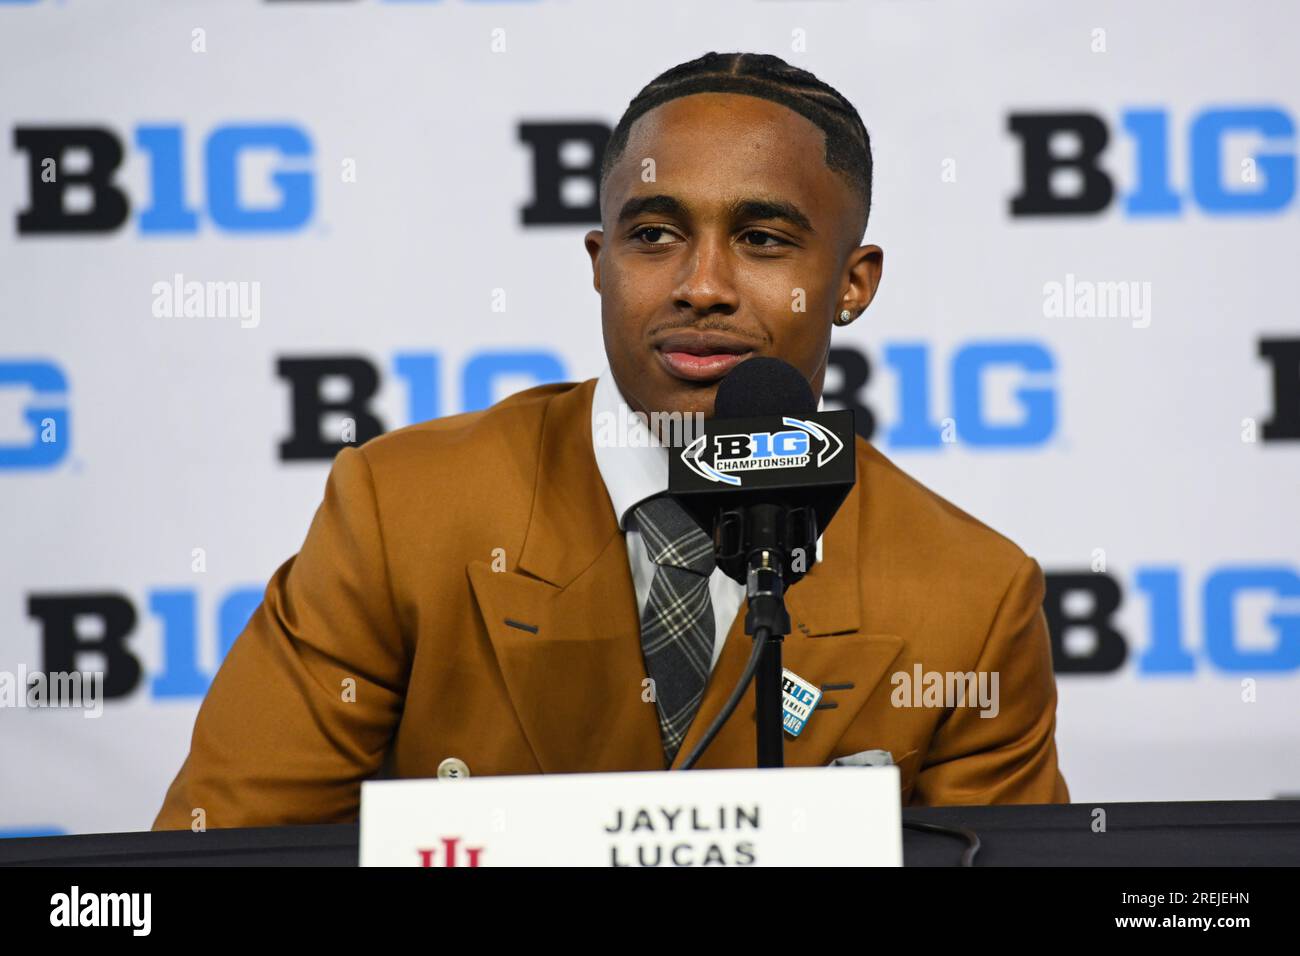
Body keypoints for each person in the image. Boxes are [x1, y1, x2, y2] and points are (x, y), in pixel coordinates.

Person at [153, 51, 1068, 830]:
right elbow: (223, 852)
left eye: (760, 238)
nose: (701, 286)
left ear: (850, 284)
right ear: (601, 264)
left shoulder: (973, 597)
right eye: (655, 234)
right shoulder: (401, 511)